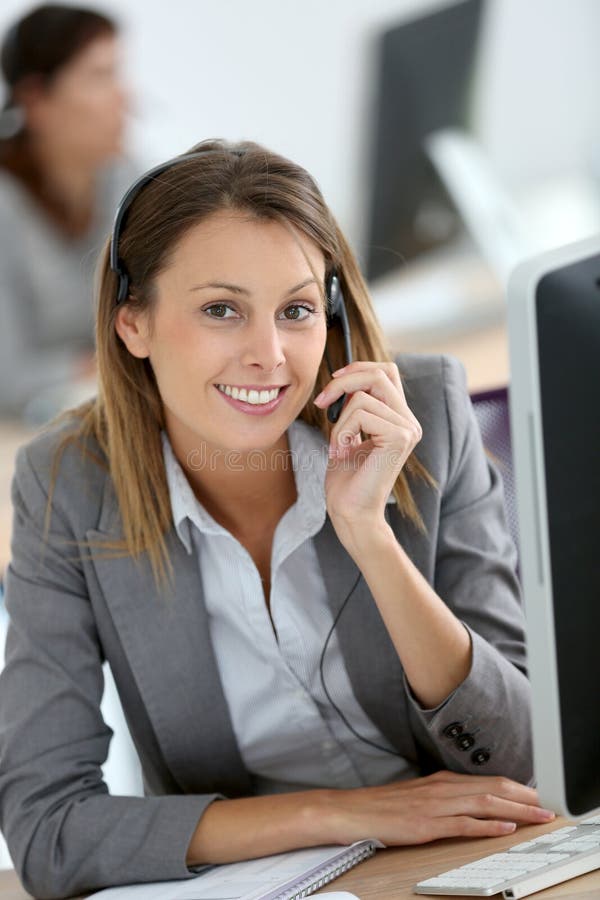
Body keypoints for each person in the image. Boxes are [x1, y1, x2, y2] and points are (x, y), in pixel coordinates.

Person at [0, 140, 554, 900]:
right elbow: (48, 829)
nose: (271, 356)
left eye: (296, 310)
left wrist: (369, 534)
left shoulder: (423, 412)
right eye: (221, 309)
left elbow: (522, 755)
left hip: (461, 868)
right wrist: (343, 814)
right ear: (134, 325)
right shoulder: (67, 484)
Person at [0, 3, 135, 421]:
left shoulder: (130, 182)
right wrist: (106, 366)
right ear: (35, 99)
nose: (124, 97)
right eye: (100, 77)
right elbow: (8, 378)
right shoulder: (6, 207)